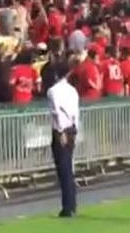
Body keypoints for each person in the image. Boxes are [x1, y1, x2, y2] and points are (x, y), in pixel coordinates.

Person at [46, 59, 79, 218]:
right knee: (68, 166)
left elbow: (56, 112)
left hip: (61, 130)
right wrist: (75, 128)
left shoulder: (53, 91)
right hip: (71, 127)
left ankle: (68, 206)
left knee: (63, 168)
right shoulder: (72, 90)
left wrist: (61, 131)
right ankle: (71, 203)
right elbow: (76, 111)